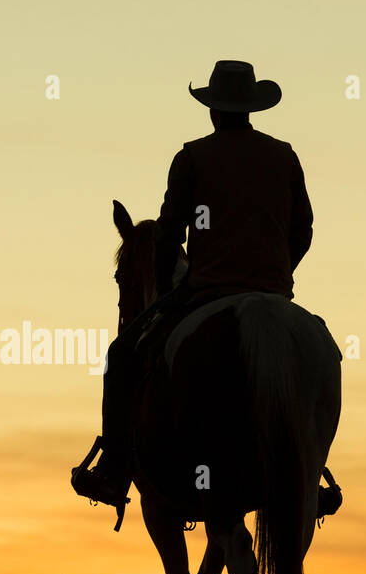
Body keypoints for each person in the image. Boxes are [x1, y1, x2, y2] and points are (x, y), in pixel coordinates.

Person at [71, 60, 314, 522]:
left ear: (212, 110)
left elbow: (168, 237)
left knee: (122, 356)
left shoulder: (192, 157)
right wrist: (279, 276)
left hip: (207, 289)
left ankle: (115, 470)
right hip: (274, 290)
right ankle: (309, 474)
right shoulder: (284, 156)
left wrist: (164, 290)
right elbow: (303, 230)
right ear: (251, 108)